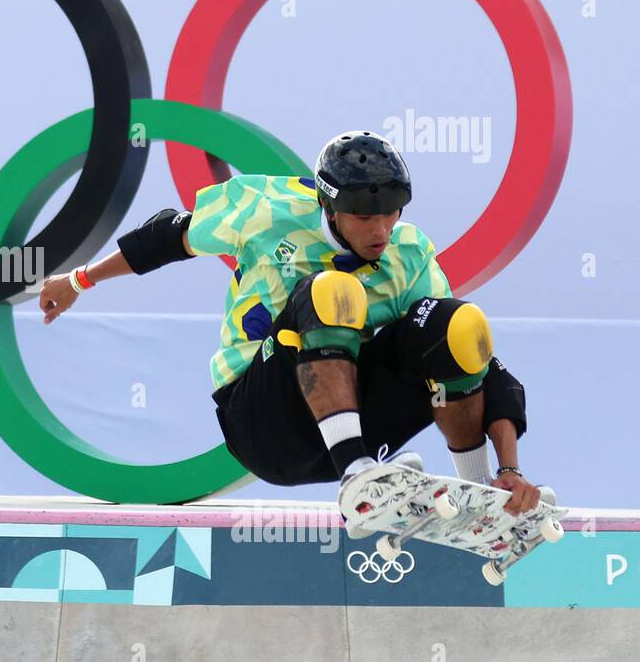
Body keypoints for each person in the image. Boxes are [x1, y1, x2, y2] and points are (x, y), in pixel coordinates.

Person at [38, 131, 542, 519]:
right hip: (263, 421)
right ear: (329, 204)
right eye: (365, 217)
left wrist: (509, 467)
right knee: (330, 290)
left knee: (457, 326)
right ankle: (358, 476)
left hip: (358, 418)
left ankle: (481, 498)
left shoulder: (409, 253)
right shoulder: (266, 209)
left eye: (390, 215)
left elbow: (475, 363)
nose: (381, 230)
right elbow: (169, 237)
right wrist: (81, 280)